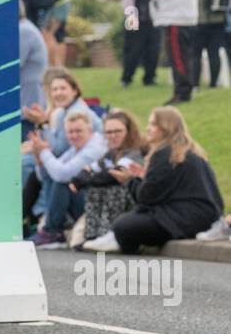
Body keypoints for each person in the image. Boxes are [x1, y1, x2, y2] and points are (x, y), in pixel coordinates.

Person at [84, 107, 225, 253]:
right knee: (133, 217)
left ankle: (120, 240)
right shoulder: (190, 150)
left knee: (123, 225)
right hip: (206, 215)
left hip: (187, 217)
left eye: (153, 124)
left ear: (166, 128)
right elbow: (162, 191)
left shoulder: (164, 153)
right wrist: (141, 178)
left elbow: (146, 197)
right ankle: (115, 236)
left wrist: (130, 180)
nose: (148, 128)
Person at [27, 107, 107, 247]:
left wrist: (44, 152)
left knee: (64, 181)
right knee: (54, 177)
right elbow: (44, 176)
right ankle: (50, 229)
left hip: (97, 208)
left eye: (78, 131)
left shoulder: (94, 148)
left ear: (90, 131)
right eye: (70, 132)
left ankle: (53, 231)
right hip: (86, 201)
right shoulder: (76, 148)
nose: (74, 135)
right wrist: (38, 156)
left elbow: (62, 175)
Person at [69, 109, 145, 243]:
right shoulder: (112, 152)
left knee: (108, 187)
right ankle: (95, 234)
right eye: (109, 132)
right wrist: (78, 180)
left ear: (128, 132)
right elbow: (90, 168)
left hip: (138, 199)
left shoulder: (135, 151)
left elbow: (113, 174)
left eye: (118, 131)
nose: (113, 136)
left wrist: (85, 181)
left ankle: (109, 233)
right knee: (96, 186)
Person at [149, 0, 200, 103]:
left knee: (177, 57)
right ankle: (187, 89)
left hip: (175, 17)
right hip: (190, 16)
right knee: (186, 56)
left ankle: (182, 93)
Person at [121, 0, 161, 86]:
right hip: (136, 20)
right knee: (133, 50)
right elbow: (128, 0)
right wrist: (131, 22)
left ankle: (150, 78)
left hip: (154, 20)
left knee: (153, 50)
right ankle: (127, 78)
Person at [19, 0, 47, 141]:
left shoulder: (23, 31)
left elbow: (15, 62)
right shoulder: (27, 28)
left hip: (29, 96)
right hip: (28, 92)